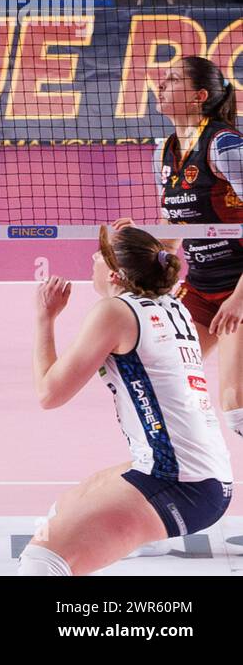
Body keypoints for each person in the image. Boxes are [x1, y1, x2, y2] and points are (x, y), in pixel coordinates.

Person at [24, 226, 233, 576]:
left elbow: (49, 394)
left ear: (114, 274)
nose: (91, 259)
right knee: (61, 510)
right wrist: (133, 241)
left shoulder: (115, 313)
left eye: (99, 254)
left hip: (177, 483)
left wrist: (45, 318)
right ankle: (132, 534)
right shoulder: (173, 306)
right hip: (204, 477)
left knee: (40, 563)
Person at [114, 56, 243, 442]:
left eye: (172, 79)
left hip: (238, 285)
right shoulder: (164, 153)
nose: (161, 83)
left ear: (198, 96)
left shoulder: (225, 146)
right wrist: (139, 239)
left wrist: (237, 299)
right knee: (158, 373)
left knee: (235, 404)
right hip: (203, 286)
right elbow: (173, 232)